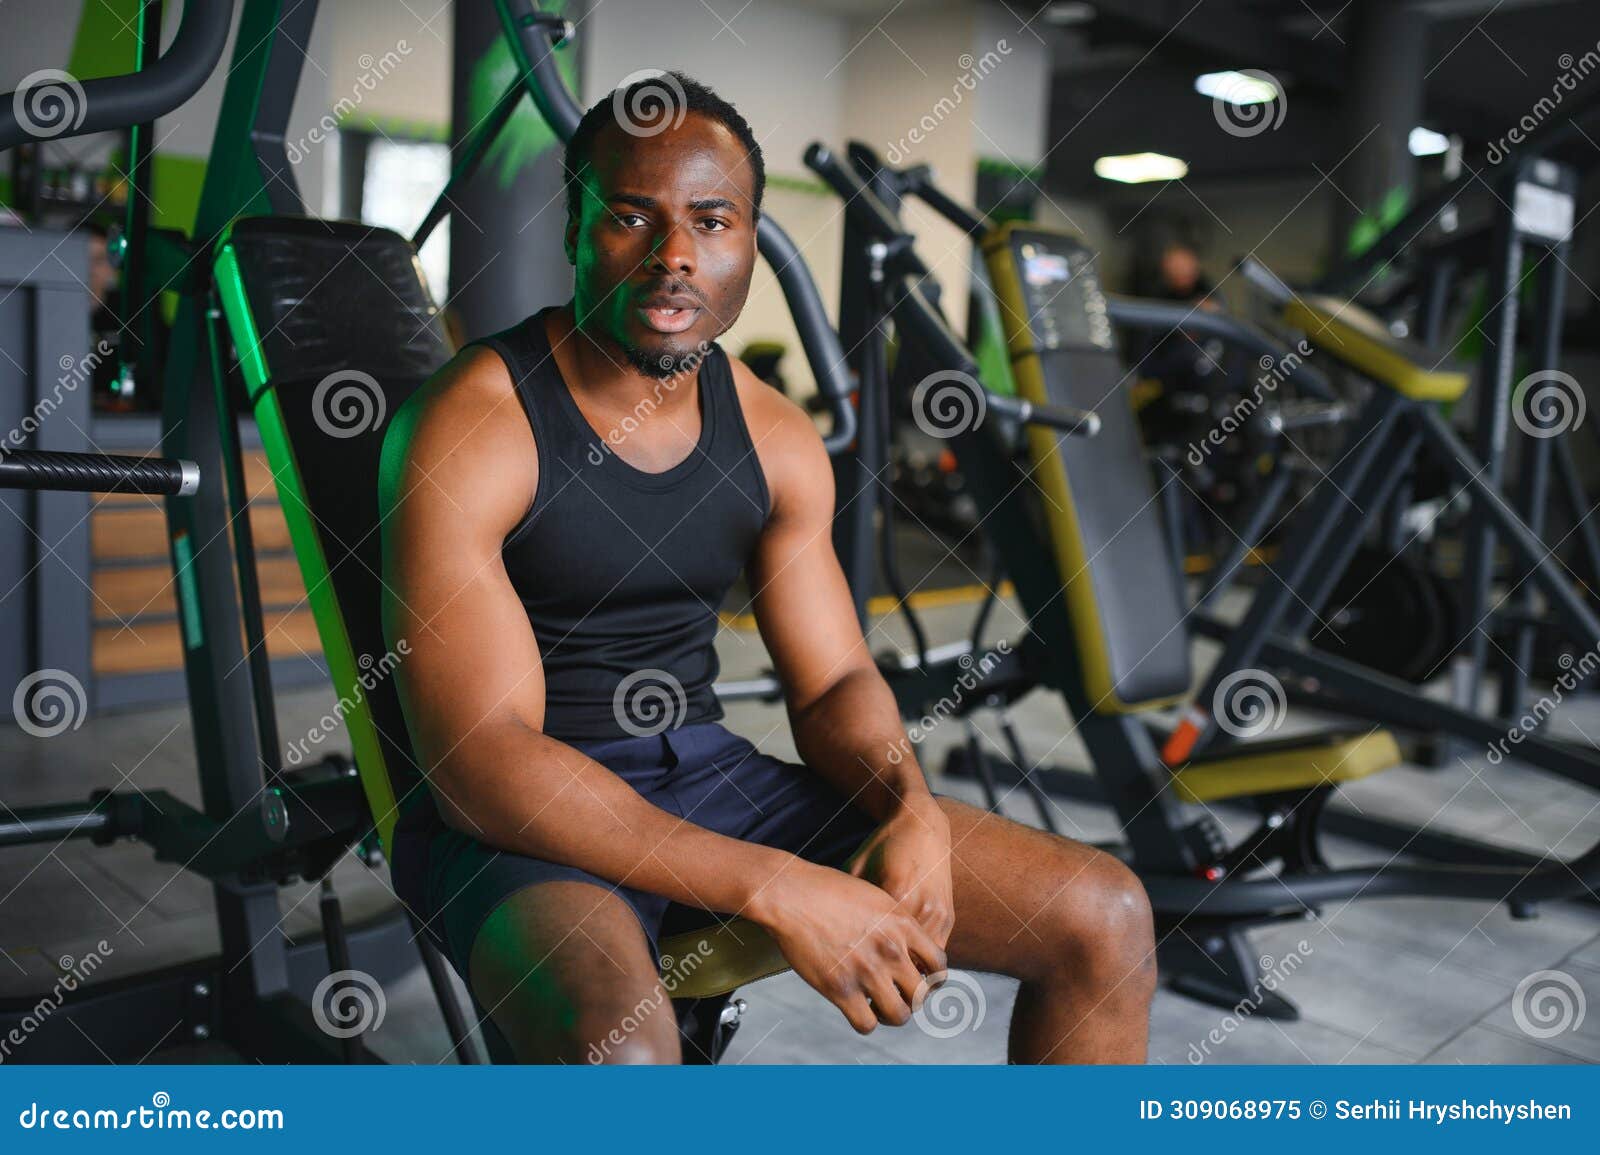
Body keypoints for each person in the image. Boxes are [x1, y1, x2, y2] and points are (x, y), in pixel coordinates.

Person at [380, 73, 1155, 1065]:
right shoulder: (475, 420)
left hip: (703, 777)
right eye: (630, 218)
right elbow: (480, 763)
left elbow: (833, 680)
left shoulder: (775, 436)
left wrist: (904, 805)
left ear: (749, 238)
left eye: (711, 221)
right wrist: (774, 883)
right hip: (519, 822)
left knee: (1104, 915)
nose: (673, 257)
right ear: (575, 233)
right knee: (619, 1055)